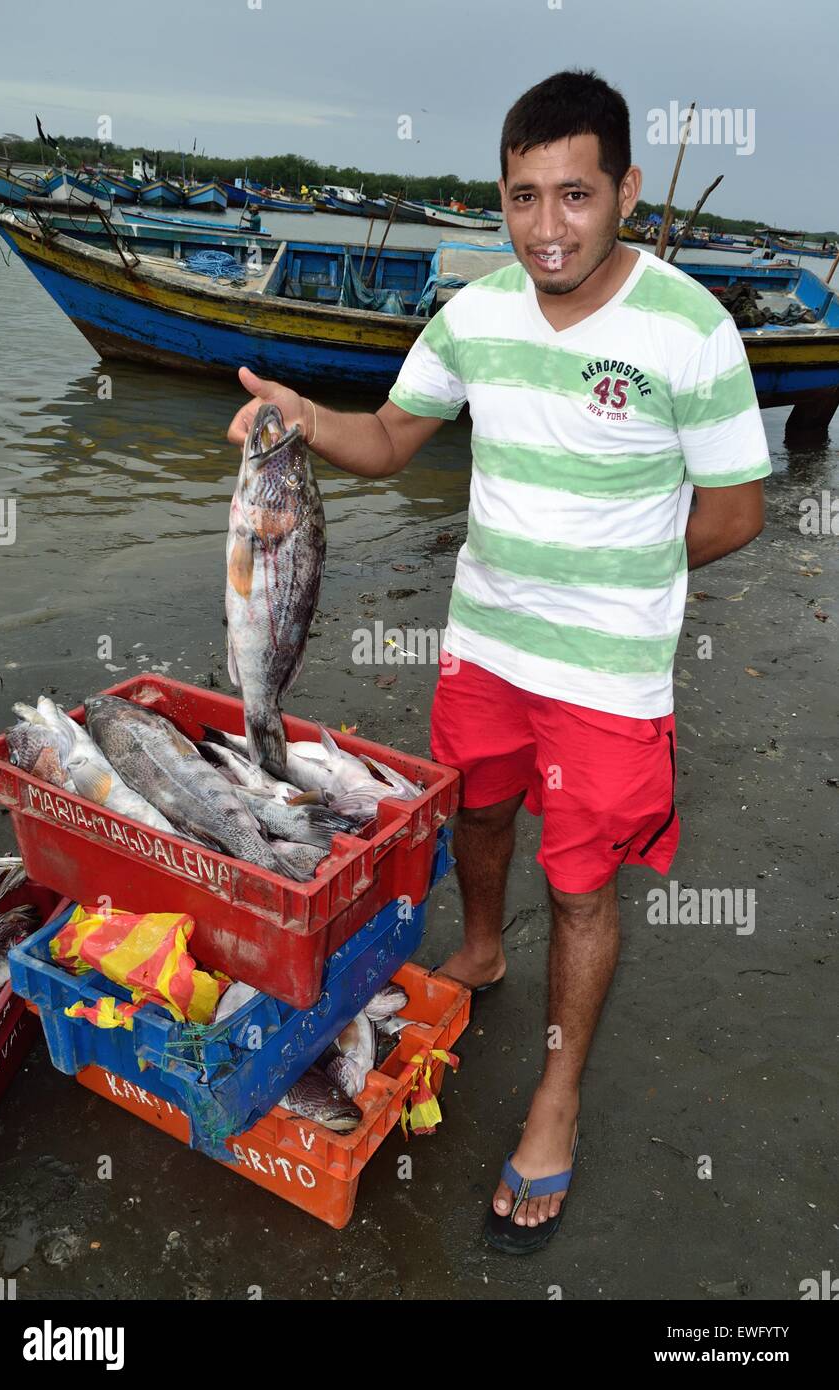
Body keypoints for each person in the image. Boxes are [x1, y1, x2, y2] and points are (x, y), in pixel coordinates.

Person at [227, 68, 770, 1254]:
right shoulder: (472, 312)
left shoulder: (689, 327)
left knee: (579, 889)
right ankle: (476, 948)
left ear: (623, 190)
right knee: (474, 816)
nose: (545, 228)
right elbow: (382, 439)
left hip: (607, 679)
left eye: (573, 195)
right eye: (522, 198)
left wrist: (618, 570)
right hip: (481, 648)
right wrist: (297, 418)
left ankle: (556, 1093)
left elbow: (734, 510)